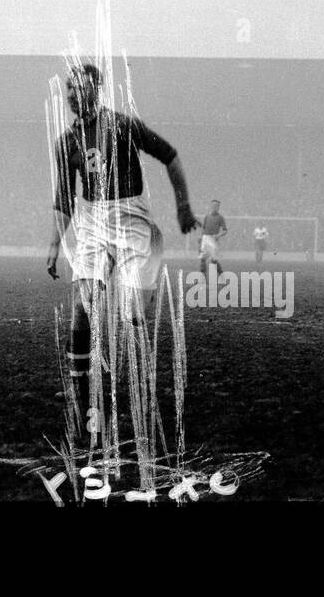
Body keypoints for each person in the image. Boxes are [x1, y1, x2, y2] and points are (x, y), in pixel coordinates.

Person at [45, 63, 198, 436]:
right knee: (83, 308)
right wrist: (53, 245)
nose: (69, 96)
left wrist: (183, 208)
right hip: (94, 222)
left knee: (132, 314)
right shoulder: (66, 142)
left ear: (94, 91)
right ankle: (86, 409)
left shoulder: (123, 126)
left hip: (130, 217)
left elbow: (170, 154)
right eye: (67, 89)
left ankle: (152, 249)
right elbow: (65, 199)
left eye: (76, 88)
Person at [199, 199, 228, 277]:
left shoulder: (220, 218)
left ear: (218, 207)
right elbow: (204, 228)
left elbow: (225, 230)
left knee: (213, 260)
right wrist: (201, 237)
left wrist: (218, 235)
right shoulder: (207, 216)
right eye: (213, 205)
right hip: (205, 238)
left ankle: (222, 275)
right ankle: (203, 276)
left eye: (216, 206)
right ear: (211, 206)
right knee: (203, 258)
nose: (214, 207)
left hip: (213, 239)